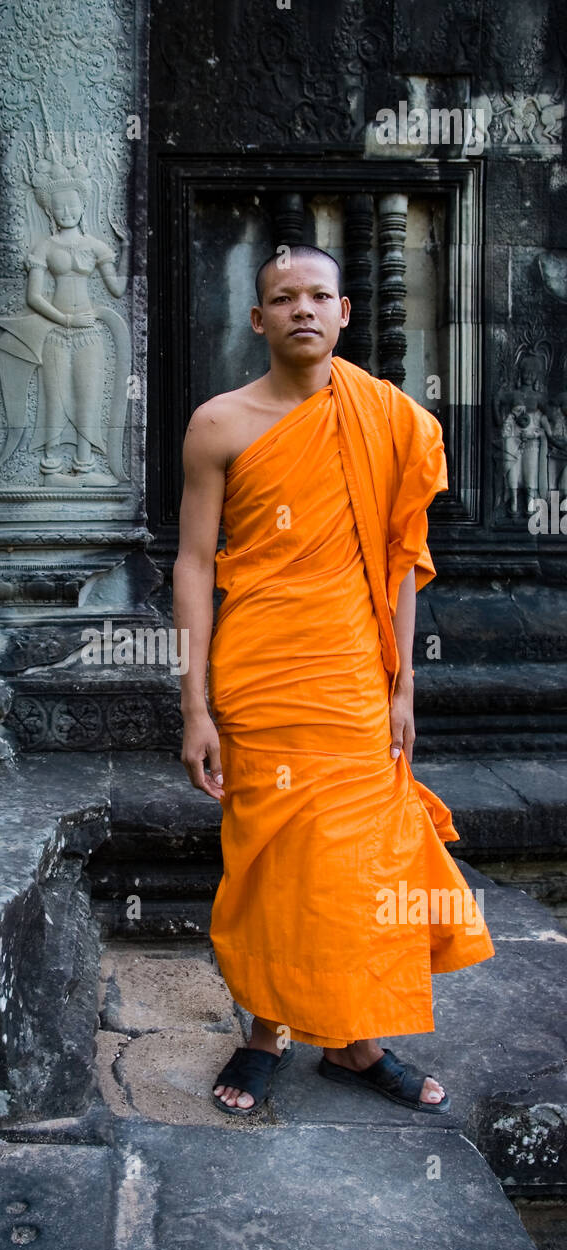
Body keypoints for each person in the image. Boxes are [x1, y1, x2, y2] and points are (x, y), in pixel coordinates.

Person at [172, 244, 495, 1117]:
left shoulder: (387, 418)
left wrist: (403, 688)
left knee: (358, 860)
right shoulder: (220, 424)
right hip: (261, 673)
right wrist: (193, 702)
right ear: (259, 319)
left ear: (345, 312)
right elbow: (195, 565)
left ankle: (355, 1043)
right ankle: (266, 1030)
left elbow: (401, 565)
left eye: (318, 295)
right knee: (272, 858)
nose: (302, 310)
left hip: (354, 673)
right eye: (283, 299)